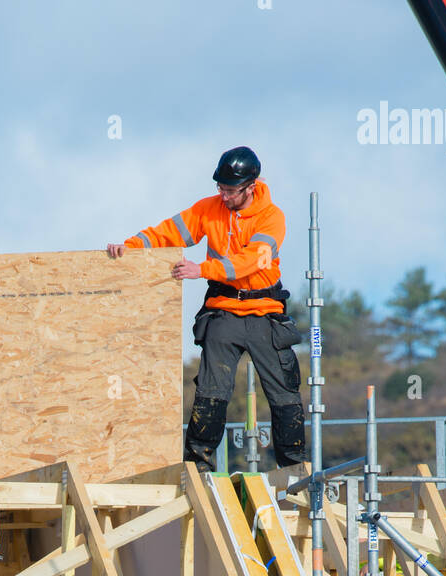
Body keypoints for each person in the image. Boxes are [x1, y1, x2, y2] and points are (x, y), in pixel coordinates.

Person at [107, 146, 306, 472]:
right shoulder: (209, 209)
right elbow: (167, 233)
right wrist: (129, 246)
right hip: (224, 308)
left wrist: (203, 269)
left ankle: (294, 469)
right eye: (220, 188)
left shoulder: (272, 218)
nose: (224, 196)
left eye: (230, 190)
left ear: (251, 186)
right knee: (212, 390)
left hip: (264, 310)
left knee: (284, 391)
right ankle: (198, 466)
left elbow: (252, 260)